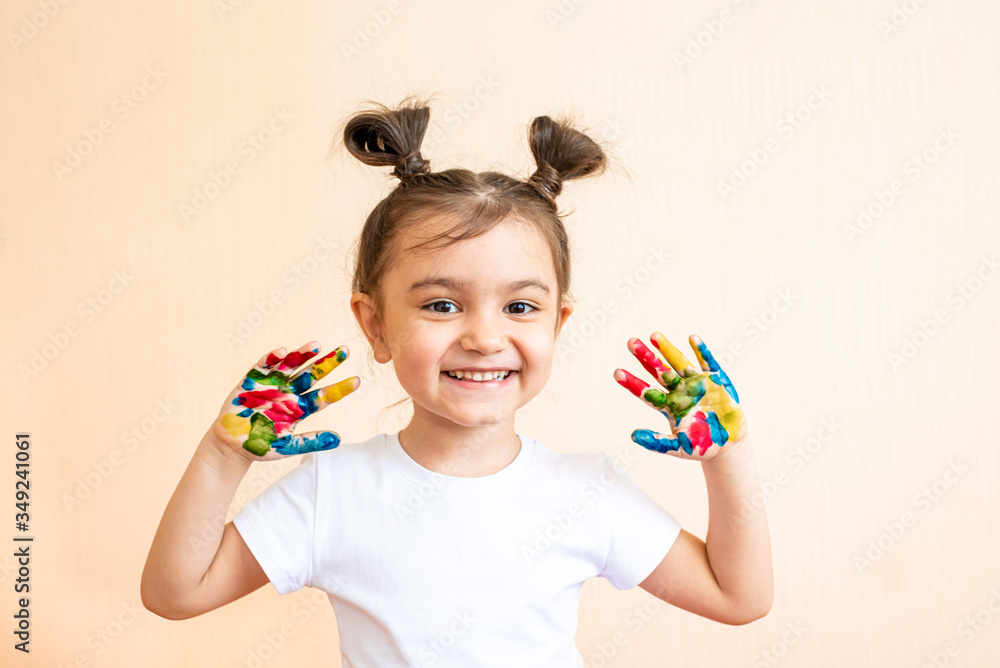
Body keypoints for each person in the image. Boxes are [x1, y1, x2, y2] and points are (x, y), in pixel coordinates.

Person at [140, 97, 773, 666]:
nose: (485, 338)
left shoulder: (587, 494)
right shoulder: (331, 492)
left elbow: (737, 597)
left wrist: (728, 457)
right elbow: (175, 593)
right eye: (442, 305)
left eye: (520, 306)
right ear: (375, 325)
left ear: (558, 324)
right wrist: (223, 456)